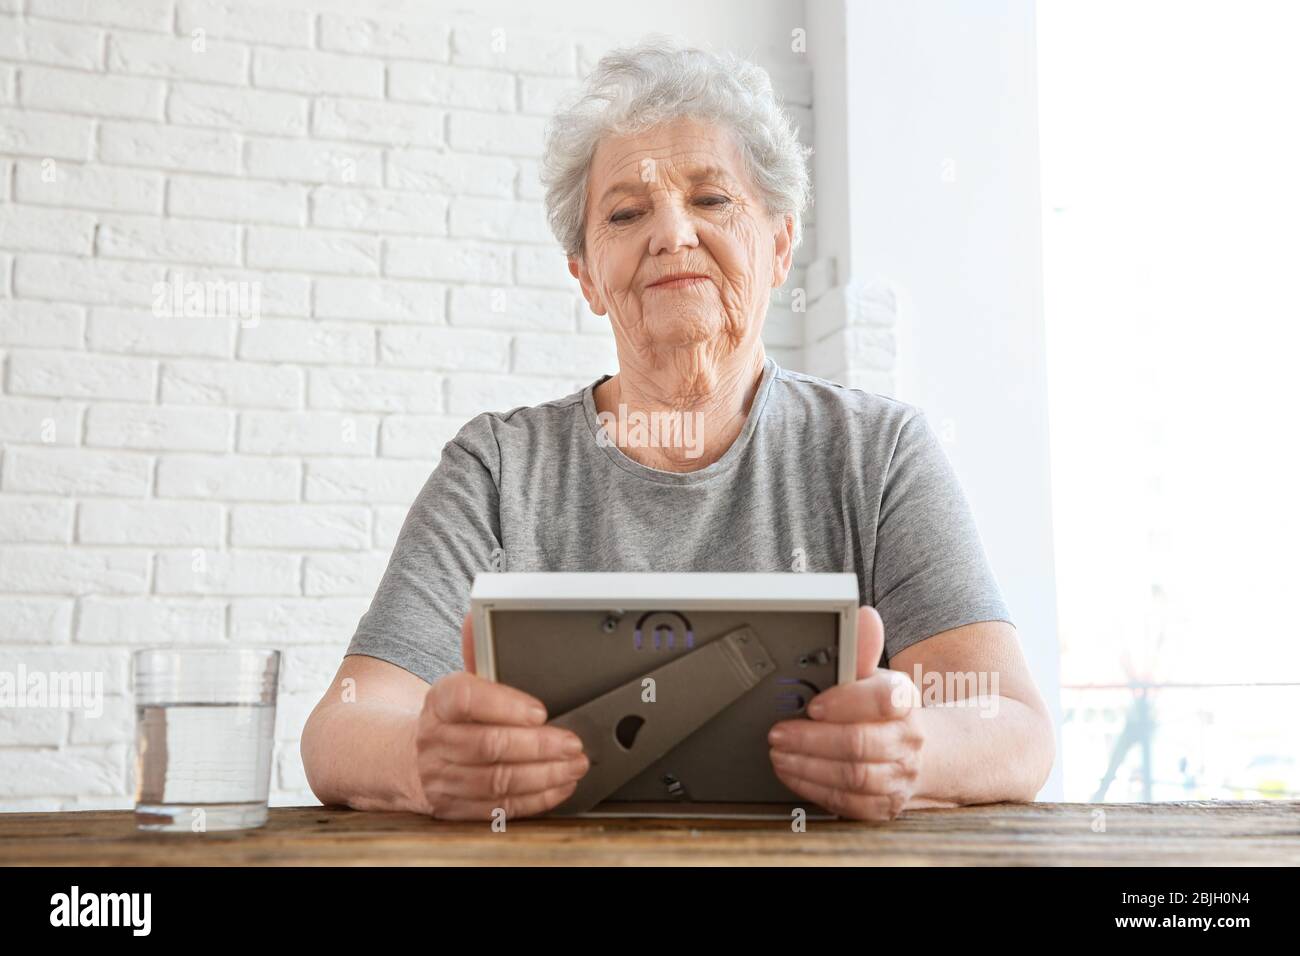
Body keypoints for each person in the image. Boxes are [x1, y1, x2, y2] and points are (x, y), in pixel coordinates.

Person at [301, 37, 1054, 821]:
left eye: (712, 199)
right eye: (626, 212)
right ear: (587, 275)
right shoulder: (496, 468)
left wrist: (914, 751)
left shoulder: (881, 453)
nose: (672, 234)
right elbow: (341, 729)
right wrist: (428, 762)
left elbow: (1017, 729)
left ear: (780, 244)